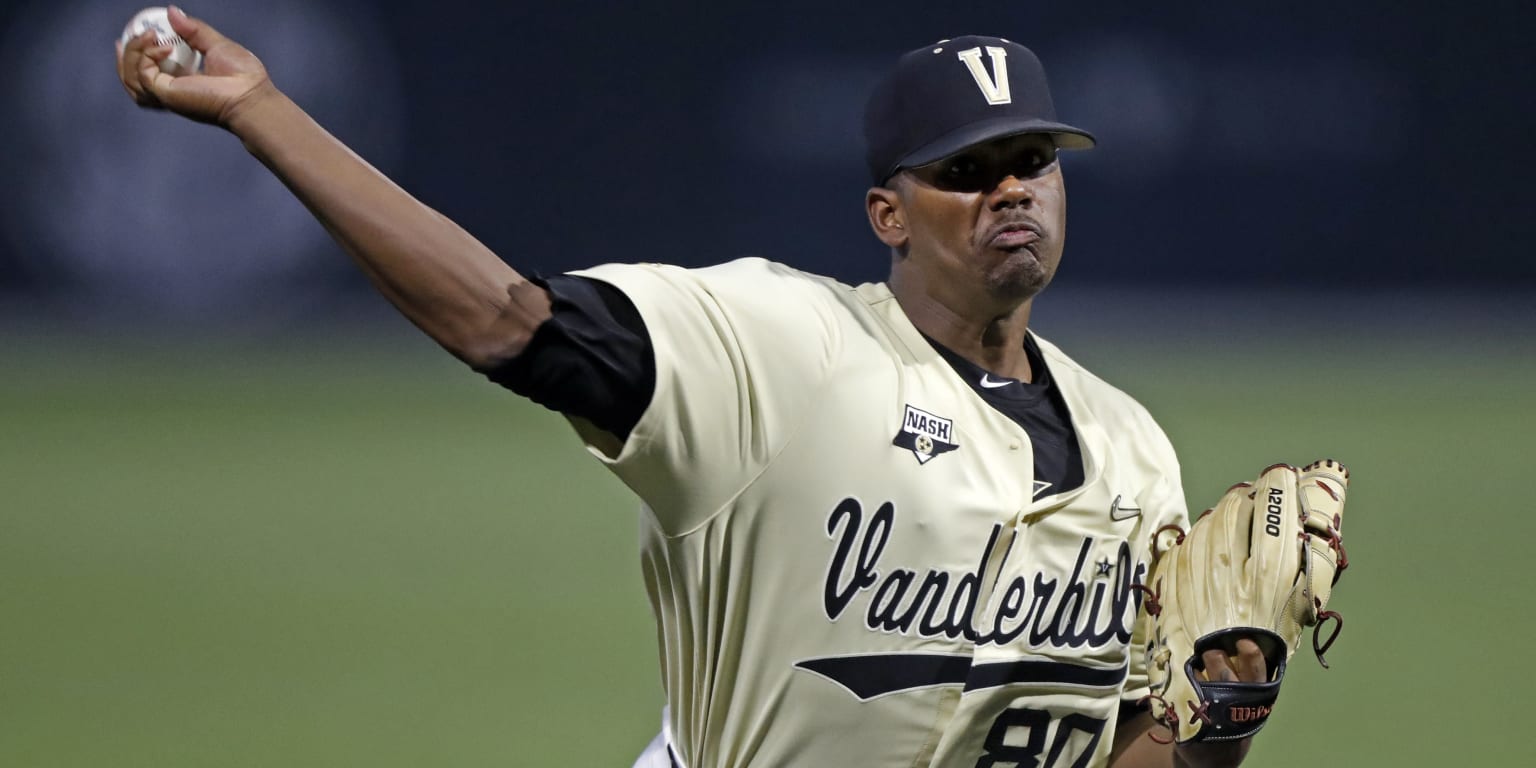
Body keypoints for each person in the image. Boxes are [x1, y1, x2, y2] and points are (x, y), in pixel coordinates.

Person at [118, 9, 1272, 767]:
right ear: (887, 215)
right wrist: (260, 113)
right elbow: (505, 320)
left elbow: (1138, 750)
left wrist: (1223, 711)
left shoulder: (1135, 453)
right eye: (965, 172)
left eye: (1031, 163)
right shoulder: (779, 349)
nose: (1010, 191)